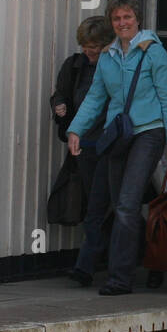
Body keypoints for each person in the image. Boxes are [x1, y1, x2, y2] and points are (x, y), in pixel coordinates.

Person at [66, 0, 167, 295]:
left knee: (127, 204)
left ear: (137, 18)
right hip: (118, 135)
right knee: (122, 207)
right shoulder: (107, 55)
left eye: (127, 17)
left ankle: (120, 278)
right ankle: (153, 262)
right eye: (117, 18)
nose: (122, 23)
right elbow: (96, 97)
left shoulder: (153, 51)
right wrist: (75, 130)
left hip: (149, 132)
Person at [51, 16, 115, 215]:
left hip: (111, 143)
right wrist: (59, 105)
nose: (88, 51)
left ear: (106, 44)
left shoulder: (115, 65)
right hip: (84, 145)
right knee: (91, 201)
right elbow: (60, 94)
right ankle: (99, 243)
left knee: (114, 201)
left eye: (94, 46)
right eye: (84, 46)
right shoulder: (75, 65)